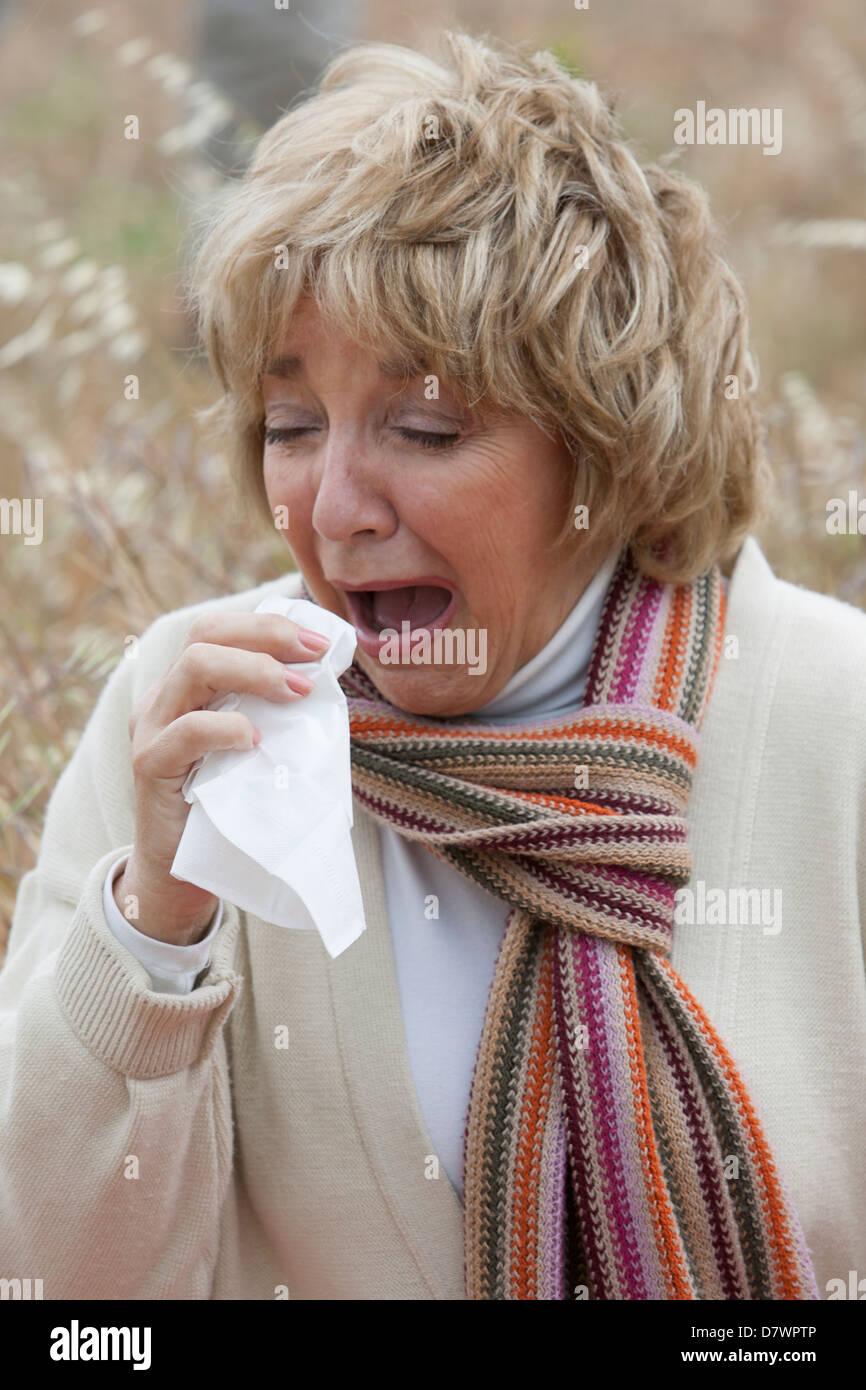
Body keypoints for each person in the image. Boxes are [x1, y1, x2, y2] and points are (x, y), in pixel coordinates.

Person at [1, 31, 863, 1301]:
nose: (333, 505)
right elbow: (71, 1305)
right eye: (291, 425)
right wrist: (156, 931)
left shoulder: (832, 727)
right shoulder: (192, 723)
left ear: (603, 443)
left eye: (424, 426)